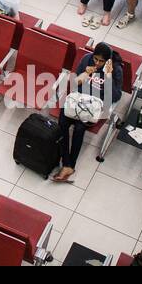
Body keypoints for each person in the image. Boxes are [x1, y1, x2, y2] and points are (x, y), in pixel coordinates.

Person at [52, 42, 124, 182]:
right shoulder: (87, 59)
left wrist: (108, 76)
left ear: (108, 60)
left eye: (101, 61)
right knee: (62, 122)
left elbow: (115, 96)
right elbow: (75, 82)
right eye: (96, 59)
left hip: (94, 106)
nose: (97, 63)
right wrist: (86, 73)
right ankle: (68, 165)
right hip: (78, 99)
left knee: (79, 128)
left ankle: (68, 165)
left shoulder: (116, 69)